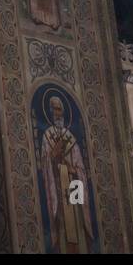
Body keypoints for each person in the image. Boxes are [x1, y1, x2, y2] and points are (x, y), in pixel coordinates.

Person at [39, 95, 93, 253]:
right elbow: (44, 165)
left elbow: (81, 168)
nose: (58, 113)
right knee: (62, 223)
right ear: (50, 111)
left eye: (60, 109)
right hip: (58, 188)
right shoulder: (47, 136)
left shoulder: (71, 139)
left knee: (76, 223)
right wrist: (53, 158)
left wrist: (74, 171)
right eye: (55, 109)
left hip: (73, 189)